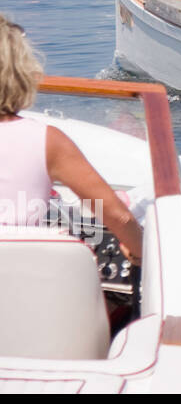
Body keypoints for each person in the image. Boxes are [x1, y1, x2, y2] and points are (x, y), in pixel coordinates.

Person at [0, 16, 143, 262]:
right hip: (23, 279)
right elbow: (118, 217)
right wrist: (139, 250)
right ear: (19, 73)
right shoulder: (47, 141)